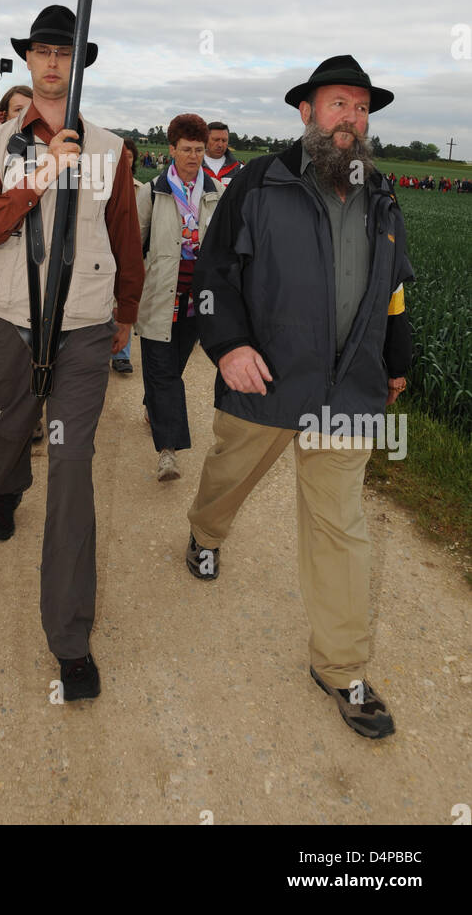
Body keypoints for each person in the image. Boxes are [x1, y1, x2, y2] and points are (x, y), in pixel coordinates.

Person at [185, 55, 413, 740]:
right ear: (307, 111)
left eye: (362, 107)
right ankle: (204, 531)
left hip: (347, 391)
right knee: (231, 475)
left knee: (340, 524)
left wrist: (394, 359)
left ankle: (341, 667)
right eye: (339, 103)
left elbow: (394, 288)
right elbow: (214, 272)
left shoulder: (382, 196)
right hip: (267, 379)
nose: (353, 118)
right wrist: (228, 345)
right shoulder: (261, 182)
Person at [0, 4, 144, 701]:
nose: (51, 62)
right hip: (11, 319)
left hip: (83, 328)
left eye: (64, 52)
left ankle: (70, 637)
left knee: (72, 463)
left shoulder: (112, 150)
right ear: (27, 61)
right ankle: (7, 487)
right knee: (11, 422)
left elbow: (126, 233)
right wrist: (38, 177)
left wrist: (125, 310)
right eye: (40, 50)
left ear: (78, 64)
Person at [135, 115, 221, 481]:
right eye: (186, 149)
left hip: (196, 303)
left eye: (199, 150)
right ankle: (168, 451)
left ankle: (151, 403)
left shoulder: (219, 194)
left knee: (174, 367)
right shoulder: (152, 192)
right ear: (171, 149)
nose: (193, 156)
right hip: (159, 297)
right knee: (165, 373)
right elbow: (133, 247)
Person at [111, 137, 141, 374]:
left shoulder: (141, 189)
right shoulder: (105, 185)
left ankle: (122, 355)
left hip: (131, 250)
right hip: (108, 251)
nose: (125, 160)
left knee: (125, 301)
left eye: (129, 156)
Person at [202, 121, 243, 188]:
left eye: (224, 140)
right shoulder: (194, 166)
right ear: (205, 139)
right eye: (216, 140)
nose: (220, 145)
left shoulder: (240, 168)